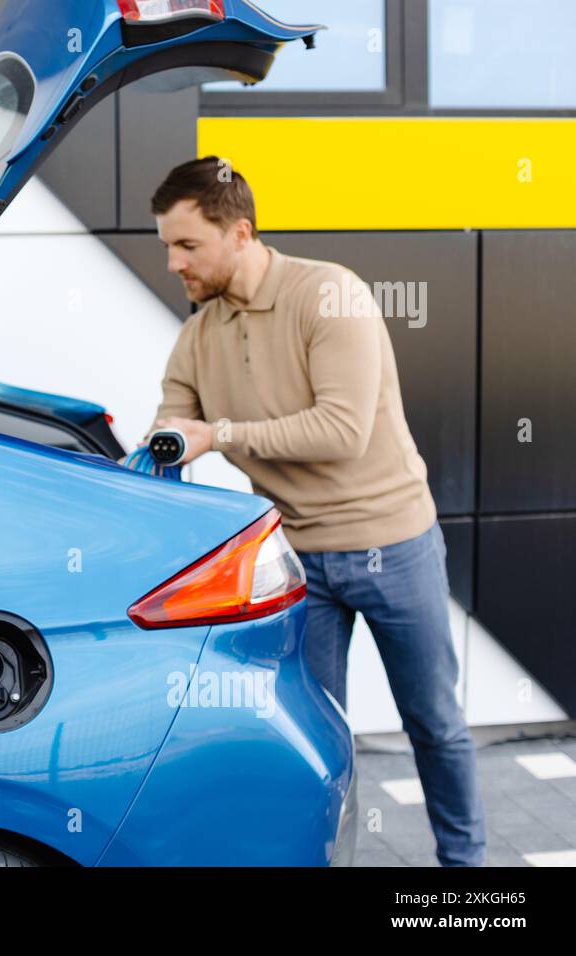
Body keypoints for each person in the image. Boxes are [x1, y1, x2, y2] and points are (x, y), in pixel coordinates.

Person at [140, 156, 487, 867]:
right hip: (299, 559)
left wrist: (222, 434)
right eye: (167, 247)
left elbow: (342, 430)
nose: (174, 263)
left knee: (435, 723)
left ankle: (467, 870)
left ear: (240, 233)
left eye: (187, 245)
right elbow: (170, 430)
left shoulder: (330, 295)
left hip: (392, 545)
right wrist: (161, 449)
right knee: (314, 742)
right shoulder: (199, 336)